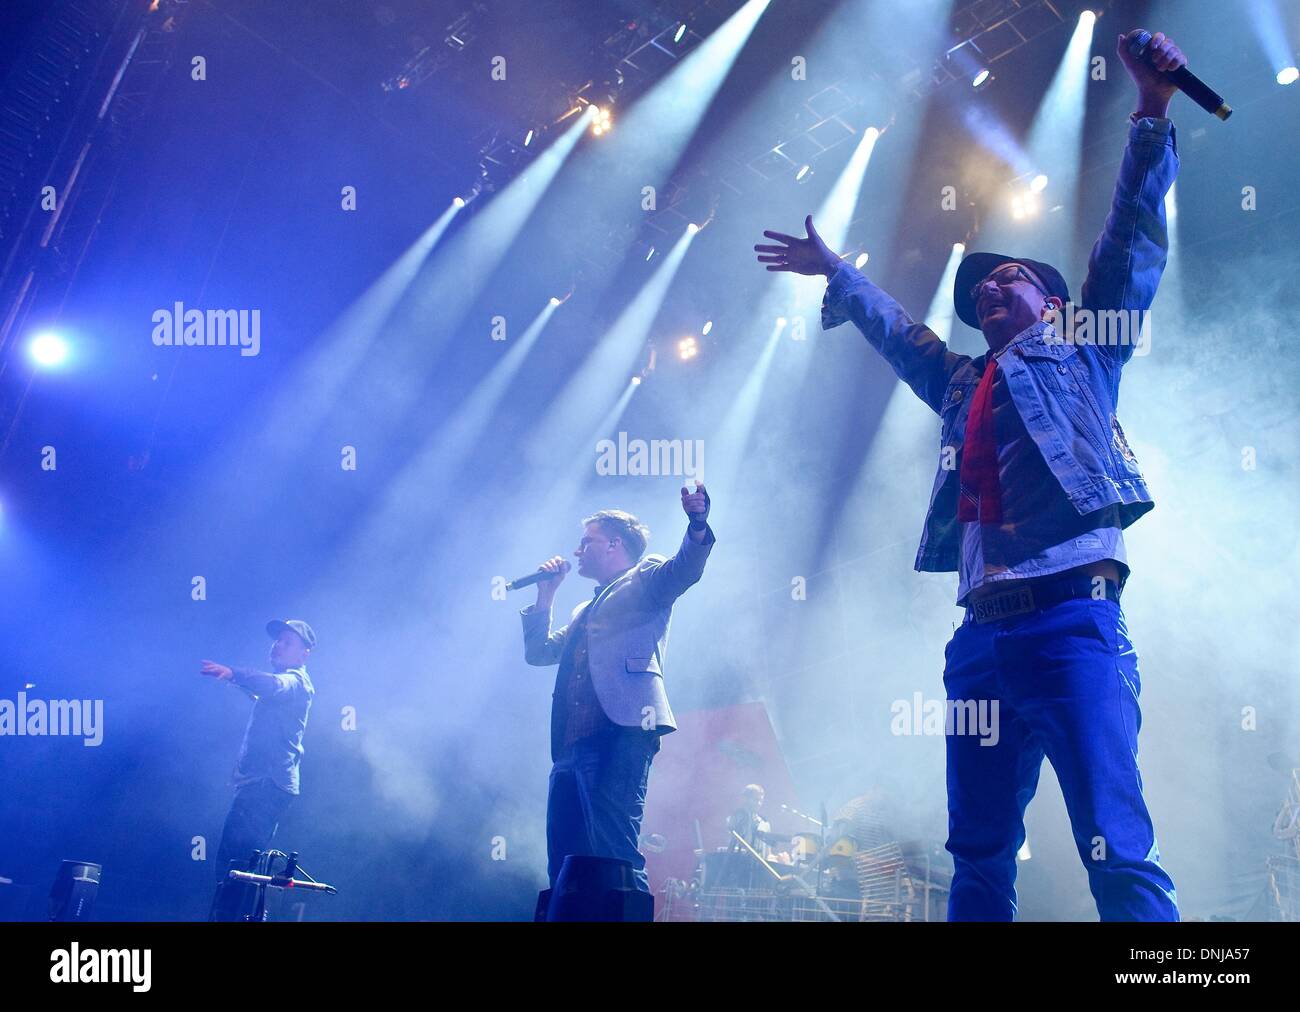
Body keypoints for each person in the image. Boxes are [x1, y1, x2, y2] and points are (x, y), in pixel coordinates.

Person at [753, 29, 1187, 922]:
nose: (992, 290)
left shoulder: (1084, 348)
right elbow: (901, 336)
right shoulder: (961, 383)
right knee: (978, 852)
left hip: (1073, 618)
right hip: (979, 640)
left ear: (1056, 304)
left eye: (1013, 281)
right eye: (982, 291)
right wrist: (836, 270)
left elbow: (1129, 245)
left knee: (1114, 842)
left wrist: (1150, 110)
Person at [522, 482, 714, 893]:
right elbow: (538, 652)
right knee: (565, 863)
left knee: (614, 852)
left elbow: (685, 569)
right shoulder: (582, 609)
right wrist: (546, 594)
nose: (576, 552)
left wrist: (697, 523)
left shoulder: (645, 577)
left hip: (621, 732)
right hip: (571, 747)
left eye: (585, 542)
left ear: (613, 544)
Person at [200, 619, 316, 921]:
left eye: (287, 642)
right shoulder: (283, 687)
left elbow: (274, 685)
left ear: (304, 653)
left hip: (265, 785)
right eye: (277, 640)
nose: (278, 645)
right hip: (266, 785)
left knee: (233, 869)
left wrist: (234, 673)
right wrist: (235, 680)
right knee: (241, 867)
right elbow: (262, 690)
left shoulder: (296, 682)